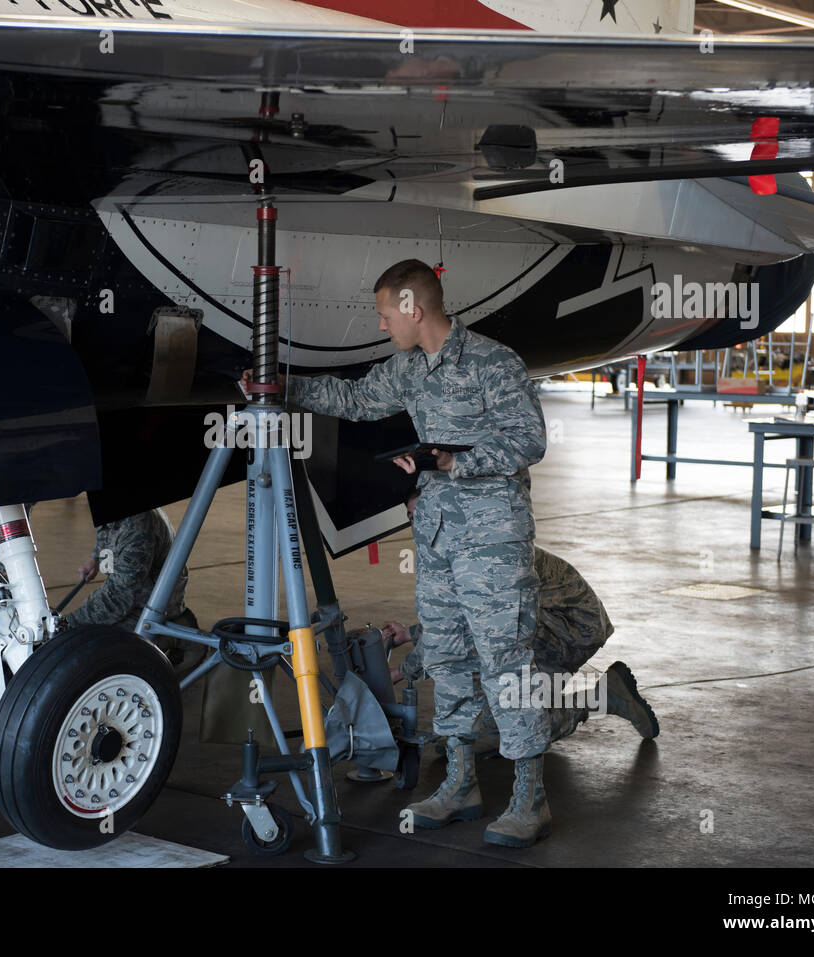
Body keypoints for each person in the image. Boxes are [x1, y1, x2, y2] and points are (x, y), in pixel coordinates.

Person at [242, 258, 553, 848]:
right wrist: (280, 386)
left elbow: (528, 438)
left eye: (386, 314)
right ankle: (461, 785)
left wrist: (452, 460)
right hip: (437, 539)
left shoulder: (493, 361)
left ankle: (529, 797)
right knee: (448, 659)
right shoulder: (411, 369)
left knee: (506, 664)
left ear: (413, 305)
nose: (383, 325)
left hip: (492, 542)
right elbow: (357, 399)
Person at [383, 491, 658, 757]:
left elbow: (460, 628)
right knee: (482, 718)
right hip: (547, 622)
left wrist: (399, 673)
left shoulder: (478, 553)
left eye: (428, 515)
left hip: (571, 627)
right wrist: (409, 633)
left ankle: (605, 697)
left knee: (508, 729)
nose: (420, 526)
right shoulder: (456, 545)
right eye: (412, 518)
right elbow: (452, 616)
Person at [70, 508, 199, 668]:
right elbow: (106, 530)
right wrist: (95, 558)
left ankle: (176, 635)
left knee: (93, 649)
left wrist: (69, 624)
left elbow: (120, 597)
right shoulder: (113, 508)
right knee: (87, 621)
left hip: (149, 607)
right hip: (134, 596)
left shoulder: (137, 525)